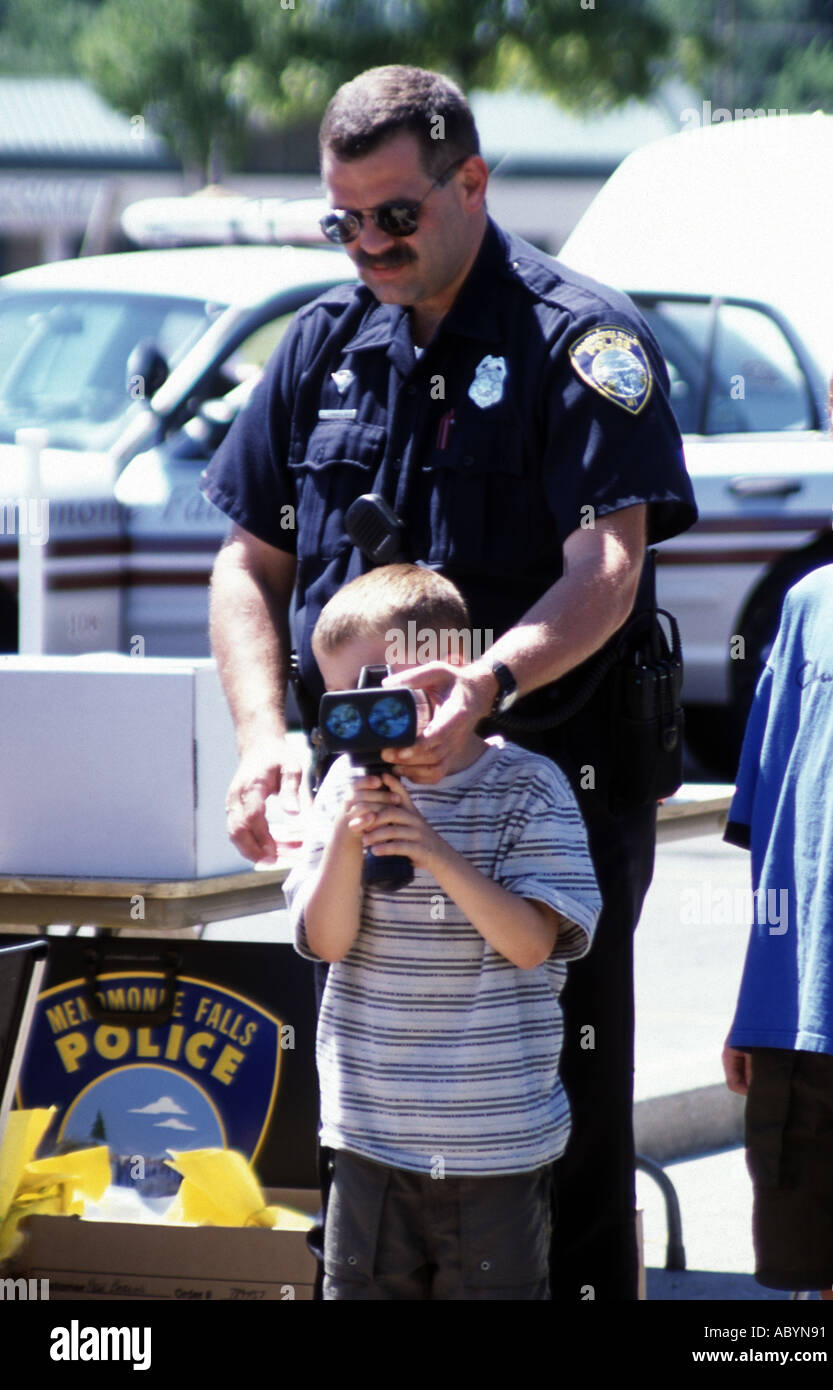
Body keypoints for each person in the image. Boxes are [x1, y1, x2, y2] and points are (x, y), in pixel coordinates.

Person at [202, 64, 696, 1300]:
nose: (366, 242)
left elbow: (608, 566)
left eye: (395, 215)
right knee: (360, 1112)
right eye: (342, 219)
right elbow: (245, 564)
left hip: (539, 790)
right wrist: (268, 735)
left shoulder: (577, 340)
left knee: (555, 1126)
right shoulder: (319, 347)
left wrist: (483, 684)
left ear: (470, 183)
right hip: (357, 795)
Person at [283, 563, 600, 1299]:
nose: (369, 719)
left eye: (382, 693)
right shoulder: (342, 785)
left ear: (449, 673)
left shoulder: (527, 786)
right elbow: (325, 942)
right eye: (345, 702)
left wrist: (433, 852)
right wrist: (348, 837)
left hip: (494, 1143)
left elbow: (530, 944)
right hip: (367, 1138)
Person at [722, 322, 833, 1299]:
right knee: (815, 1295)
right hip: (805, 1032)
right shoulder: (809, 605)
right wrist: (753, 1005)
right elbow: (772, 834)